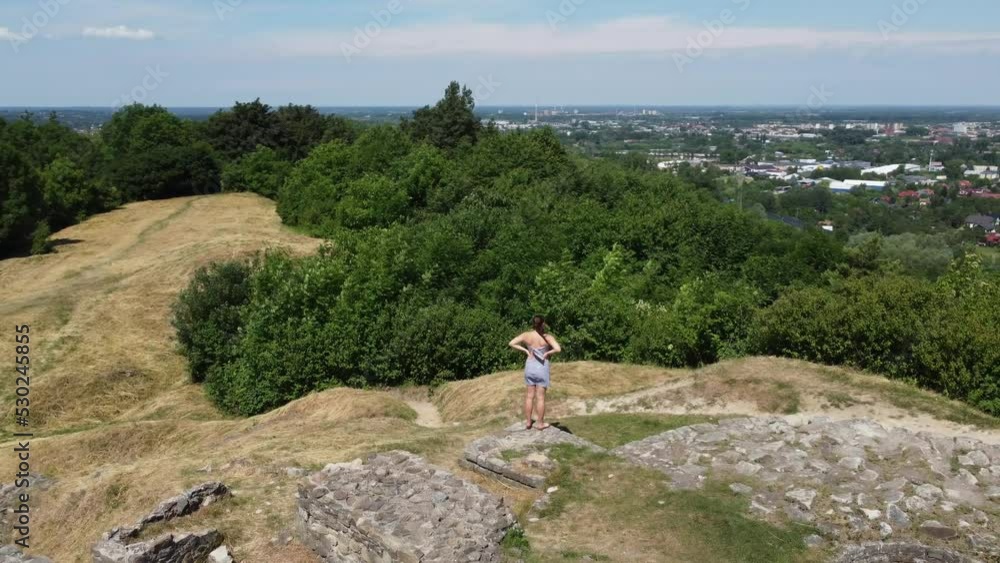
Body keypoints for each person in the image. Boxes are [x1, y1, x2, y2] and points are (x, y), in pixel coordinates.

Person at [509, 315, 562, 430]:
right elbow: (558, 349)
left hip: (530, 367)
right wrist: (547, 353)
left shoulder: (526, 335)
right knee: (540, 398)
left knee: (529, 396)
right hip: (542, 368)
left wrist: (525, 350)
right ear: (543, 324)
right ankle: (540, 423)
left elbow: (511, 343)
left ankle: (528, 422)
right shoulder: (547, 337)